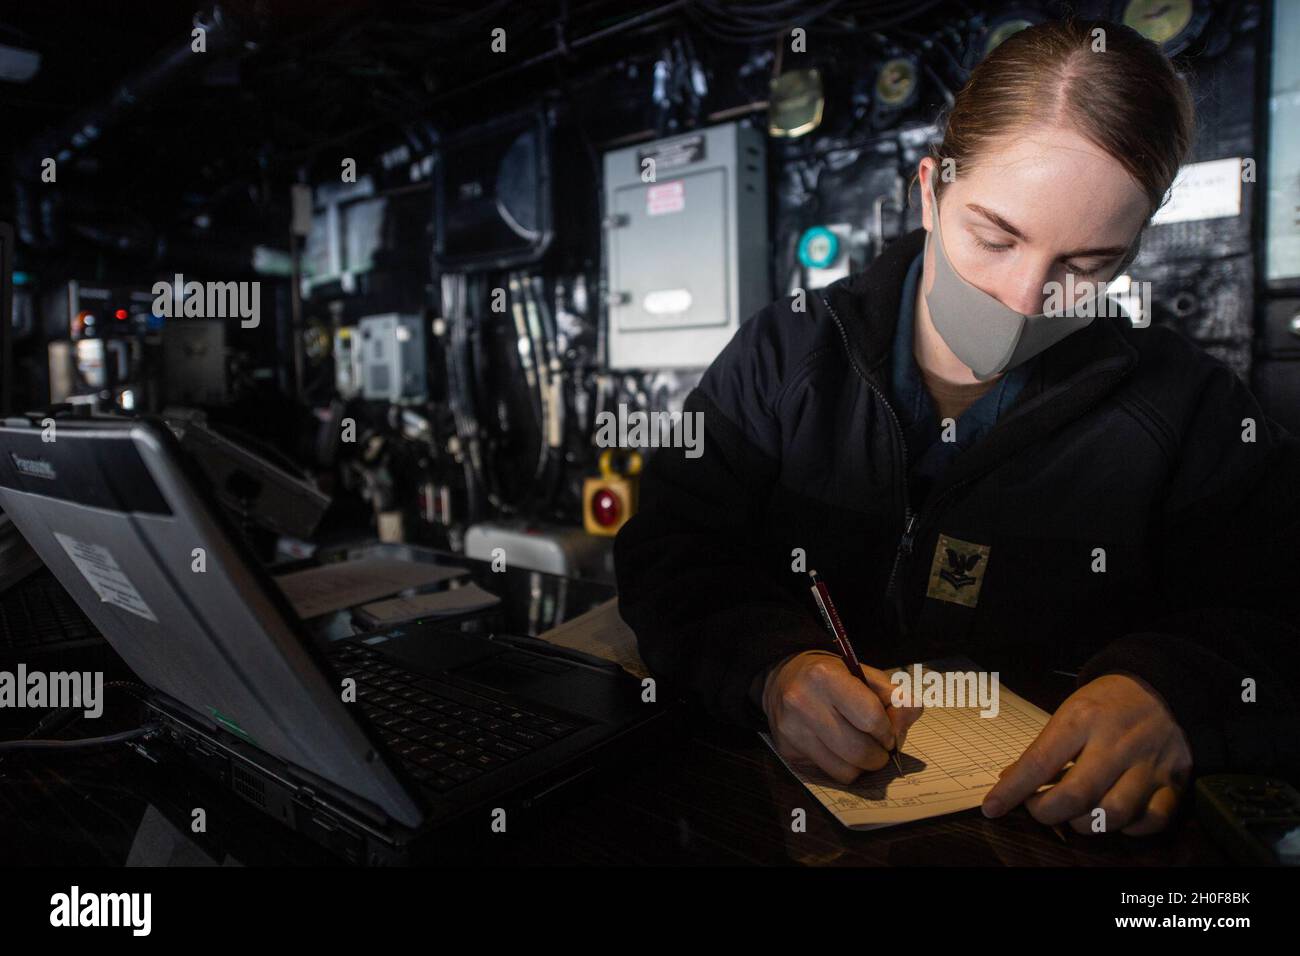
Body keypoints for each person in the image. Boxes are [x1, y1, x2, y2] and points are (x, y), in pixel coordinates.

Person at [613, 18, 1300, 837]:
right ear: (930, 189)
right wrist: (769, 667)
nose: (1025, 297)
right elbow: (671, 549)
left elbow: (1278, 610)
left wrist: (1175, 692)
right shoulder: (786, 353)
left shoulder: (1190, 411)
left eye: (1086, 265)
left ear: (1132, 249)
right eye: (995, 237)